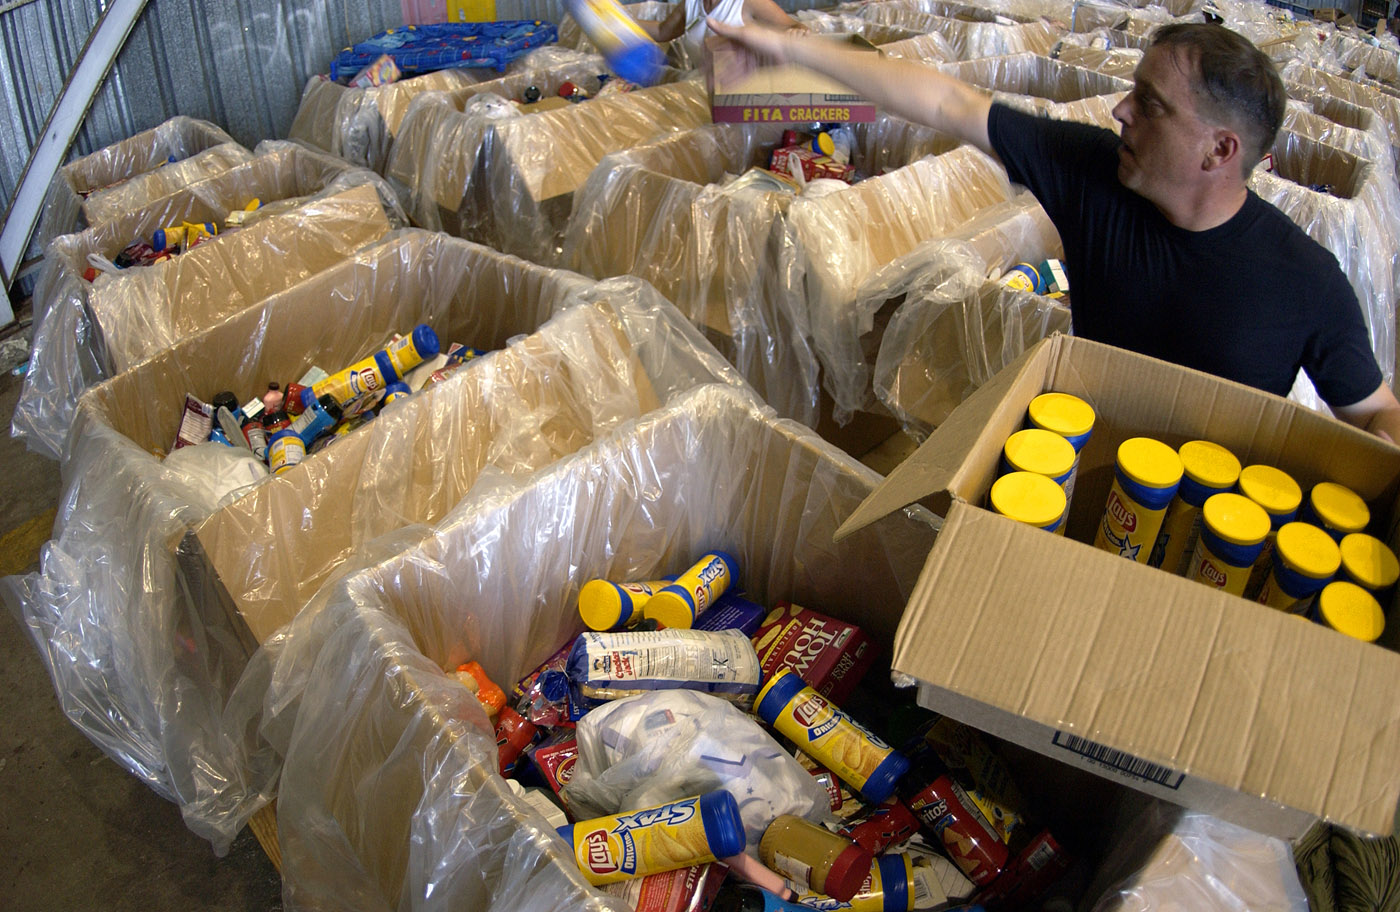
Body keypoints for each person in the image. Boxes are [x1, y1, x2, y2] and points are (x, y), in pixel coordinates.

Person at [707, 18, 1400, 443]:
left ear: (1220, 150)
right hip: (1077, 466)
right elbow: (948, 101)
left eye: (1151, 103)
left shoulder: (1307, 281)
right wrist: (787, 45)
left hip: (1210, 530)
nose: (1121, 110)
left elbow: (1374, 414)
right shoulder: (1095, 174)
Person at [635, 0, 804, 70]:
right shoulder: (691, 3)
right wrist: (622, 22)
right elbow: (662, 31)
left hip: (740, 97)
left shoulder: (748, 3)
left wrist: (796, 34)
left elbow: (796, 26)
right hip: (702, 92)